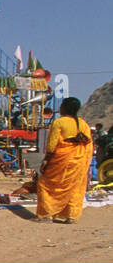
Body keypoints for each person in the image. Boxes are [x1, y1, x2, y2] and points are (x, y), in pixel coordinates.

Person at [36, 96, 94, 224]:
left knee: (46, 184)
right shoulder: (83, 123)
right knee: (75, 186)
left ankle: (47, 214)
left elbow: (52, 144)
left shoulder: (59, 122)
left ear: (64, 108)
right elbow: (88, 142)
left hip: (61, 159)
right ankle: (71, 216)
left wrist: (46, 160)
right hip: (79, 160)